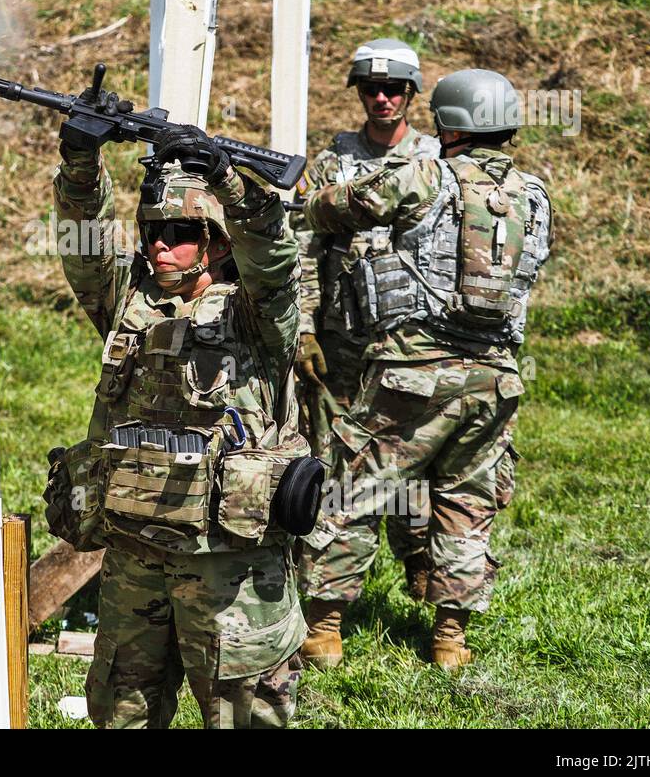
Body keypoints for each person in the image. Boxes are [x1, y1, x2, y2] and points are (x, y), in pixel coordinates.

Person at [46, 119, 309, 728]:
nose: (162, 245)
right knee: (121, 709)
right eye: (153, 232)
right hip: (136, 552)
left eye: (182, 233)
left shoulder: (258, 316)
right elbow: (82, 246)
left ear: (216, 240)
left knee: (244, 713)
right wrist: (81, 162)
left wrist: (229, 183)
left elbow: (274, 260)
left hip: (227, 562)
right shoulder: (131, 302)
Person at [294, 69, 553, 668]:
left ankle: (326, 631)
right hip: (496, 378)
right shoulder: (535, 195)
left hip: (414, 370)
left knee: (352, 488)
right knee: (467, 504)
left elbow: (347, 206)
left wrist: (313, 202)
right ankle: (449, 642)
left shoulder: (426, 173)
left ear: (447, 122)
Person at [292, 40, 440, 637]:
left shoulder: (436, 160)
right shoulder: (334, 163)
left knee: (416, 461)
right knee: (339, 469)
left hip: (420, 343)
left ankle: (427, 577)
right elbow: (303, 249)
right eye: (370, 90)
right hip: (345, 347)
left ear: (411, 95)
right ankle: (328, 607)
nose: (382, 99)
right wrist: (304, 328)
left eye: (394, 90)